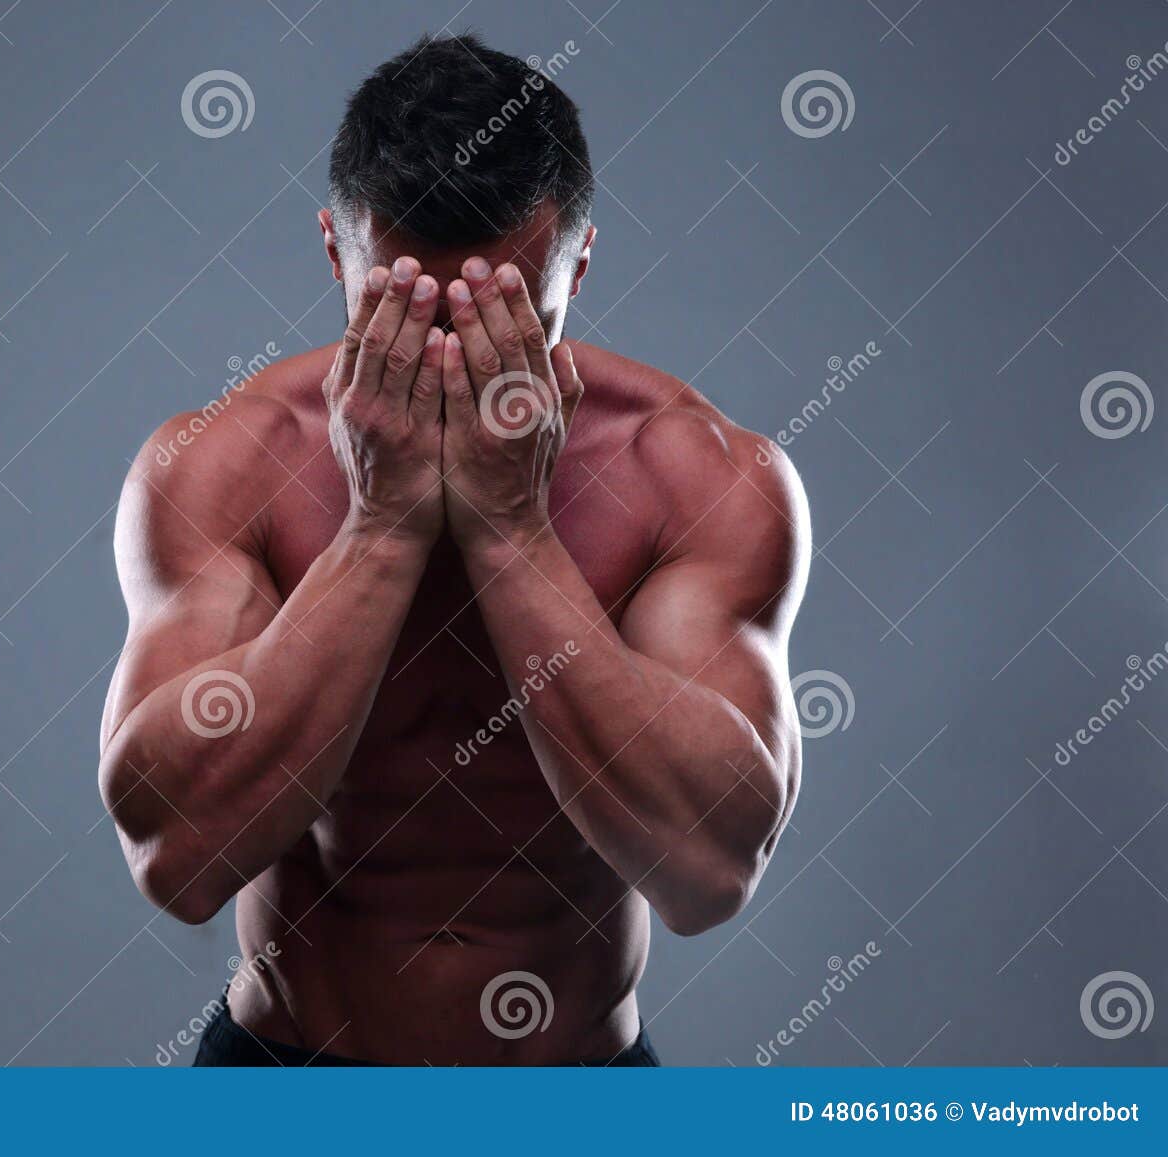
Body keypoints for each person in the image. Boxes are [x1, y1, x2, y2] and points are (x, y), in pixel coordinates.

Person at [98, 33, 809, 1065]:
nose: (449, 361)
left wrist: (511, 528)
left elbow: (710, 871)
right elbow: (178, 859)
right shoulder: (228, 463)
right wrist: (382, 528)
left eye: (505, 317)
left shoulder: (692, 475)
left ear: (581, 259)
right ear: (338, 256)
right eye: (403, 314)